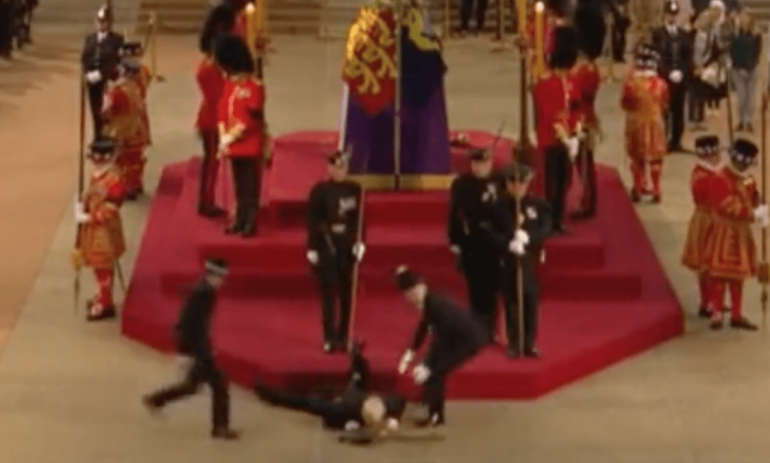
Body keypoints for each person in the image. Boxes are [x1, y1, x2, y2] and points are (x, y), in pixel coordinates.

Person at [142, 258, 239, 440]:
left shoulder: (203, 290)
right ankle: (220, 427)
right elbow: (193, 325)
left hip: (194, 347)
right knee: (218, 383)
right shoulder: (204, 294)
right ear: (212, 275)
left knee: (192, 386)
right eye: (221, 277)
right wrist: (202, 351)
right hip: (197, 349)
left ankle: (157, 399)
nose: (223, 281)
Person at [253, 341, 407, 444]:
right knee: (304, 402)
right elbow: (328, 422)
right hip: (344, 400)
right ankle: (267, 393)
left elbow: (401, 400)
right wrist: (347, 426)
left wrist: (394, 418)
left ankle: (356, 354)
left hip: (356, 395)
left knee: (358, 376)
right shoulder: (342, 410)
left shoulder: (383, 405)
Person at [395, 266, 486, 427]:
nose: (409, 299)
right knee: (432, 369)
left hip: (465, 341)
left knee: (435, 371)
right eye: (407, 295)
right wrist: (411, 352)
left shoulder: (437, 305)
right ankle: (432, 407)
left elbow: (441, 340)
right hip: (455, 338)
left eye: (410, 294)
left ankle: (436, 415)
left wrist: (427, 364)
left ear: (419, 289)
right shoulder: (429, 301)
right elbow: (423, 327)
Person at [703, 139, 769, 330]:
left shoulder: (747, 178)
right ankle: (716, 313)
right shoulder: (721, 178)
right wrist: (751, 214)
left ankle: (737, 314)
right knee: (719, 276)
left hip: (741, 233)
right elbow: (726, 206)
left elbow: (753, 195)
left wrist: (760, 206)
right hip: (724, 231)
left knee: (737, 277)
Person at [306, 149, 366, 353]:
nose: (340, 171)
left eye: (344, 168)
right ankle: (329, 337)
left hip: (347, 248)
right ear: (329, 168)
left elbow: (359, 219)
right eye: (337, 167)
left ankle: (344, 335)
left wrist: (360, 241)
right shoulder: (319, 191)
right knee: (328, 295)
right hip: (326, 248)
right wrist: (312, 247)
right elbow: (312, 221)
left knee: (347, 294)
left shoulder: (355, 189)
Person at [490, 163, 552, 358]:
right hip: (507, 261)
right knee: (512, 302)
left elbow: (545, 227)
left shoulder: (537, 205)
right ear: (508, 185)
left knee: (530, 301)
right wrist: (508, 242)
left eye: (522, 184)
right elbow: (489, 231)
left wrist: (528, 238)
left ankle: (529, 343)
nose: (518, 188)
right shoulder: (498, 207)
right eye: (514, 184)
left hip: (529, 261)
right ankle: (514, 342)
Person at [447, 148, 504, 340]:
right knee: (476, 286)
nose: (481, 167)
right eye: (477, 164)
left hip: (495, 241)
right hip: (472, 240)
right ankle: (477, 328)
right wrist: (454, 240)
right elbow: (455, 213)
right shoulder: (463, 184)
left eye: (485, 163)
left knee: (493, 286)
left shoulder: (499, 181)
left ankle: (491, 328)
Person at [214, 33, 267, 236]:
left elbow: (251, 121)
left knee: (249, 187)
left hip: (250, 145)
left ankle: (250, 221)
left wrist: (229, 137)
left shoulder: (254, 87)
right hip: (233, 145)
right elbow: (222, 110)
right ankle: (239, 218)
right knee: (238, 185)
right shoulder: (230, 85)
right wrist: (222, 137)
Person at [531, 25, 580, 233]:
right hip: (551, 140)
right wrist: (566, 138)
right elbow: (550, 116)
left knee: (563, 182)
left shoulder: (569, 81)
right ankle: (548, 222)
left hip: (566, 138)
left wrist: (577, 132)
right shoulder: (545, 83)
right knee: (550, 184)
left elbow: (576, 107)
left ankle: (558, 220)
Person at [72, 138, 127, 321]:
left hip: (104, 228)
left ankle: (105, 302)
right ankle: (102, 295)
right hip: (94, 227)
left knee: (102, 264)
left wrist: (89, 217)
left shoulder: (114, 179)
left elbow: (111, 208)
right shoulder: (98, 175)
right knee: (97, 265)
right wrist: (83, 204)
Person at [101, 42, 150, 200]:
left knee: (121, 161)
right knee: (136, 159)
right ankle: (136, 184)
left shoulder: (117, 91)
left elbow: (107, 112)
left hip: (121, 130)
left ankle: (124, 188)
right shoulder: (138, 84)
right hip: (137, 127)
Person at [195, 6, 231, 217]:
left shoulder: (210, 63)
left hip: (211, 114)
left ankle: (206, 199)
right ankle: (205, 201)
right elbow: (218, 95)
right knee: (211, 162)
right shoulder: (212, 66)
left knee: (211, 161)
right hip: (212, 117)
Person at [570, 2, 605, 220]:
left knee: (583, 162)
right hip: (585, 115)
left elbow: (575, 96)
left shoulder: (583, 70)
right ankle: (588, 200)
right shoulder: (588, 66)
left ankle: (588, 202)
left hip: (580, 118)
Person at [680, 135, 722, 319]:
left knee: (718, 264)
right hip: (706, 220)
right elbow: (712, 195)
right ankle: (707, 302)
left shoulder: (717, 173)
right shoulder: (701, 175)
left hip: (719, 220)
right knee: (706, 264)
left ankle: (715, 299)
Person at [621, 44, 669, 203]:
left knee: (637, 156)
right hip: (655, 121)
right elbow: (664, 102)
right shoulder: (661, 84)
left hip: (636, 121)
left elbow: (625, 103)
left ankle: (638, 186)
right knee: (656, 156)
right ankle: (656, 188)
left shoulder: (631, 84)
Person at [80, 5, 124, 142]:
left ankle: (108, 136)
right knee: (95, 110)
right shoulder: (90, 39)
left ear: (110, 22)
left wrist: (102, 74)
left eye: (104, 21)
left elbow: (115, 61)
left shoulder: (116, 40)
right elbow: (85, 57)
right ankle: (97, 136)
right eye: (99, 21)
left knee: (106, 110)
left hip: (106, 80)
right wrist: (87, 73)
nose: (101, 24)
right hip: (92, 81)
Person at [652, 0, 691, 153]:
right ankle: (662, 140)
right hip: (664, 78)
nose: (672, 17)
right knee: (664, 111)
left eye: (674, 14)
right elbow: (658, 55)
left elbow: (687, 56)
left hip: (680, 79)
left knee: (678, 110)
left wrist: (682, 71)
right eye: (669, 14)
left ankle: (676, 140)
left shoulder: (683, 35)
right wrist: (667, 72)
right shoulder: (658, 34)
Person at [729, 10, 761, 132]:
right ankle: (741, 119)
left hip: (752, 68)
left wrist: (752, 65)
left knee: (750, 97)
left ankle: (749, 120)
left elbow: (757, 52)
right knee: (741, 96)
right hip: (738, 69)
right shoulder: (736, 35)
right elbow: (733, 52)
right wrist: (739, 67)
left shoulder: (756, 35)